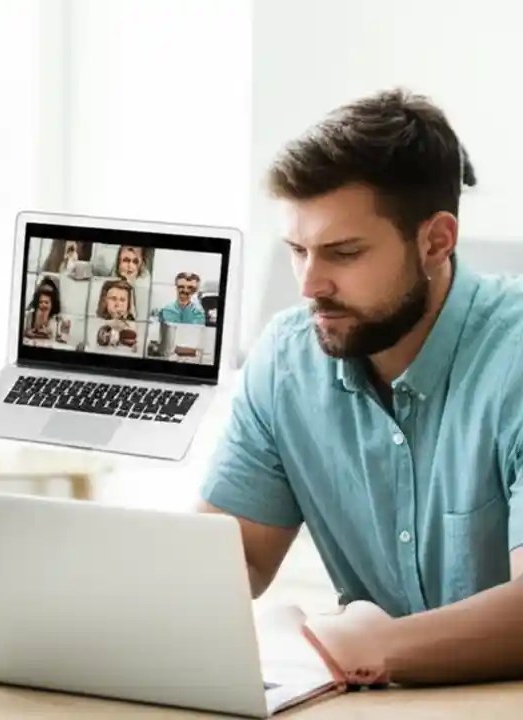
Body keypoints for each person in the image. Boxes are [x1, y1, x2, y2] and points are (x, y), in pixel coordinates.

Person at [199, 88, 523, 687]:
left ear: (436, 241)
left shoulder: (515, 359)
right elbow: (233, 556)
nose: (308, 284)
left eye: (342, 254)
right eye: (297, 250)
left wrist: (380, 646)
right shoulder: (287, 360)